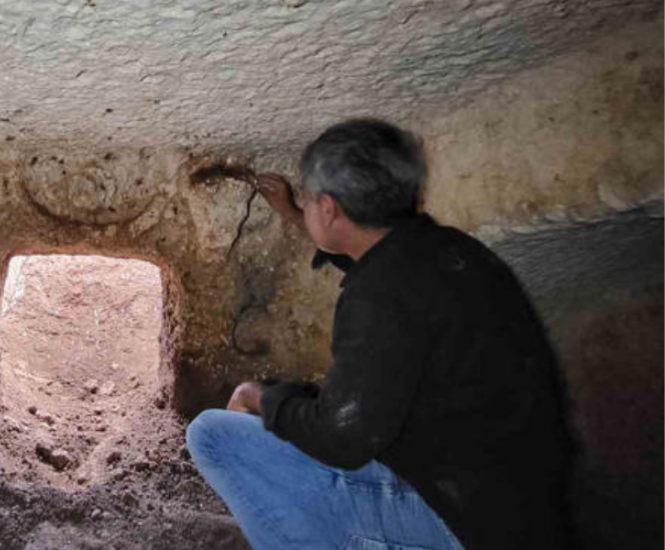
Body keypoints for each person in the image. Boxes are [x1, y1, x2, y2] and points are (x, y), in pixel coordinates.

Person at [186, 119, 571, 550]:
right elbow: (380, 275)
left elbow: (342, 437)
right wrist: (295, 215)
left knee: (212, 437)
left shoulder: (379, 295)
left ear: (329, 209)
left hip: (461, 522)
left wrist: (261, 396)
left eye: (310, 200)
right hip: (515, 501)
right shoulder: (449, 251)